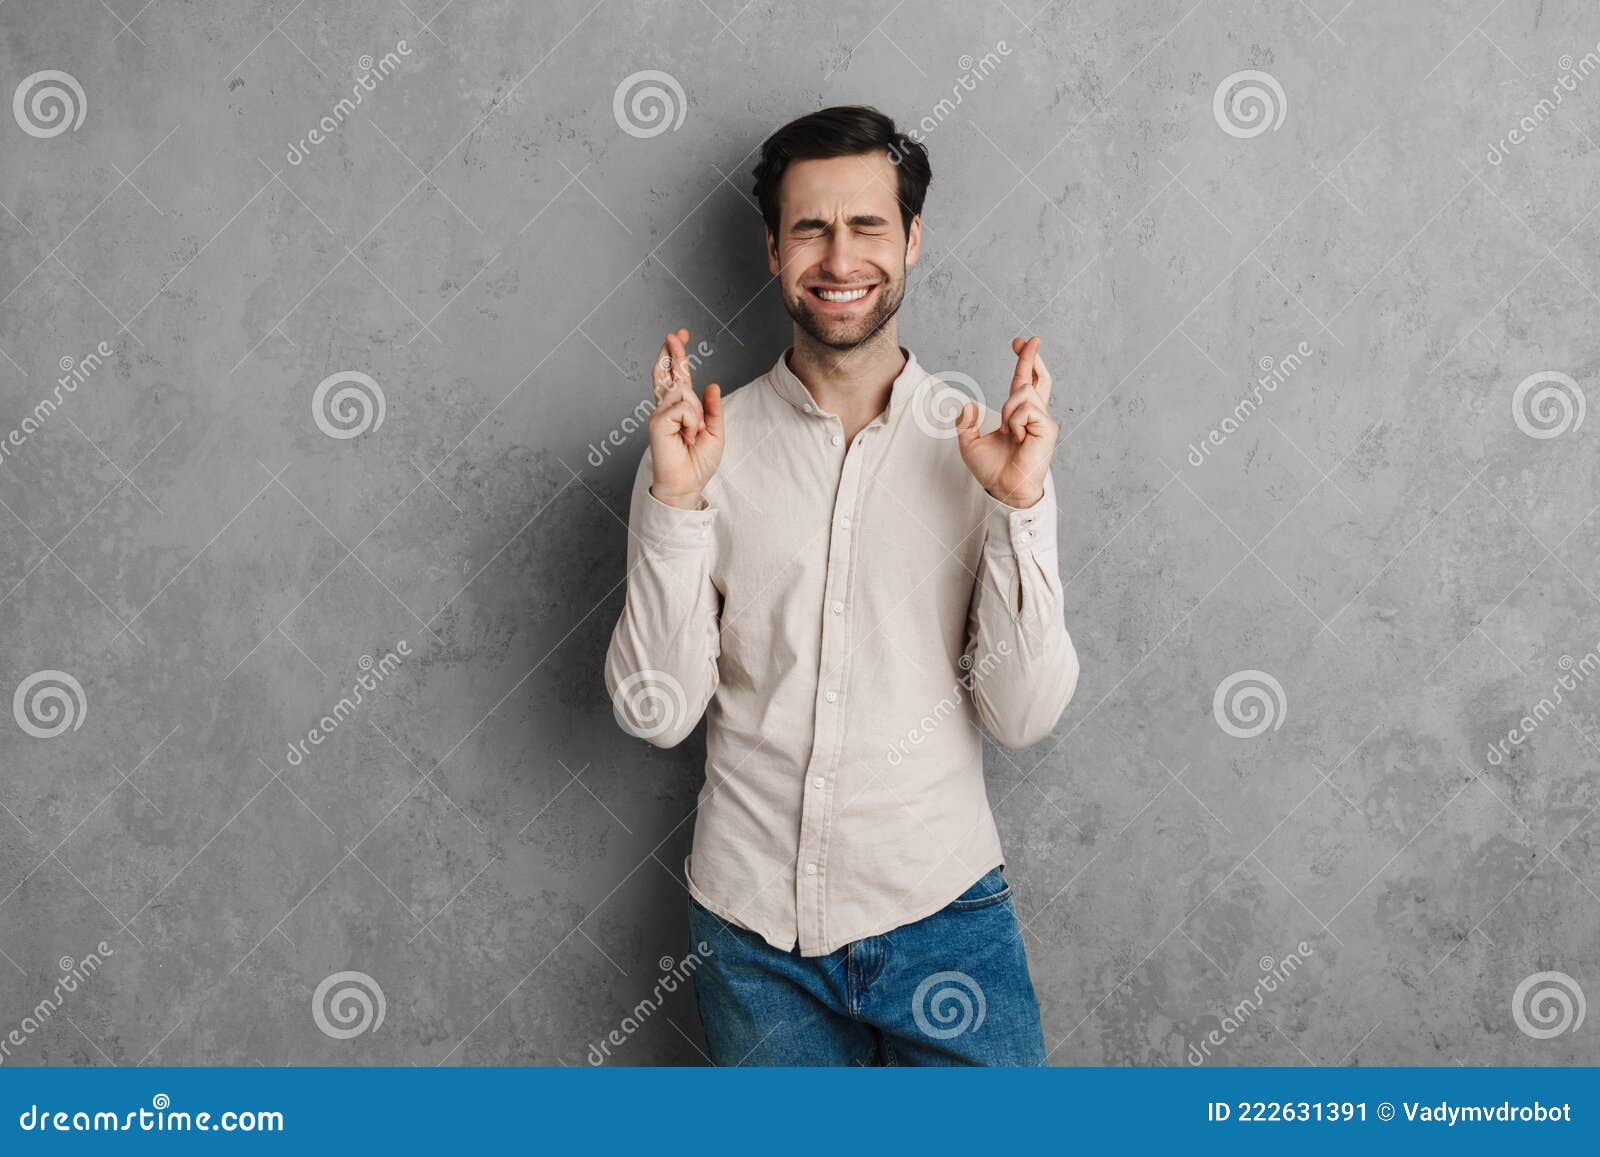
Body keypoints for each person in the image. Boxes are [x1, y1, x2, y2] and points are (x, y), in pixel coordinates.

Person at [604, 105, 1079, 1065]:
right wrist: (674, 504)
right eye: (811, 226)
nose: (839, 255)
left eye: (867, 225)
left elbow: (1023, 715)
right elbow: (658, 714)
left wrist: (1019, 507)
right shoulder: (702, 449)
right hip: (752, 934)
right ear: (773, 246)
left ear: (911, 240)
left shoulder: (985, 447)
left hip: (943, 910)